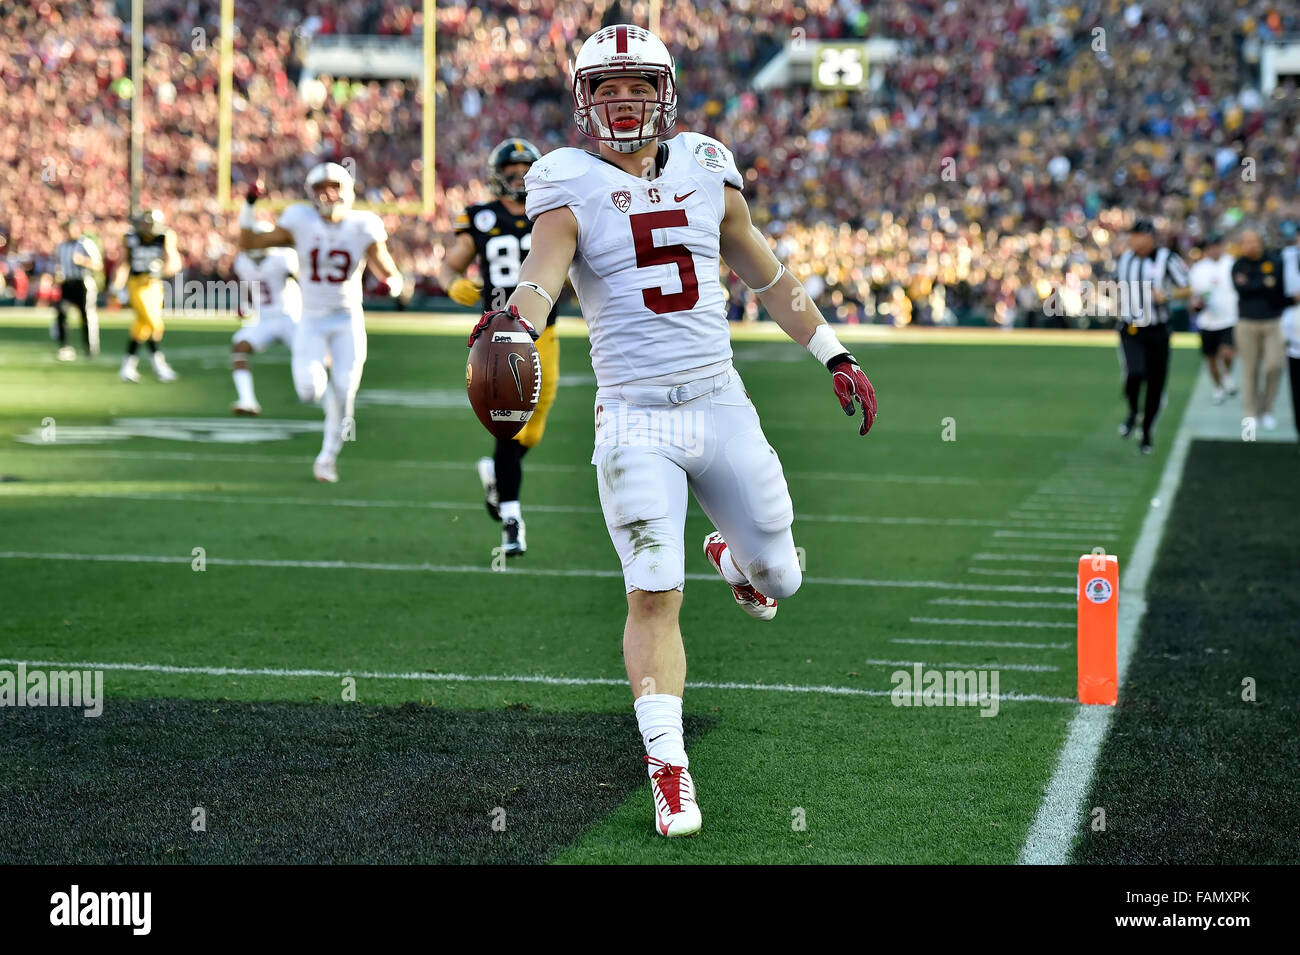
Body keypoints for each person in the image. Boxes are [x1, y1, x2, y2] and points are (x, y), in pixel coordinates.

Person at [468, 24, 877, 838]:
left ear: (665, 92)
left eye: (636, 87)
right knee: (652, 591)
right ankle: (669, 769)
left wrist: (833, 352)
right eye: (608, 89)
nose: (623, 102)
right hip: (632, 417)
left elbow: (765, 270)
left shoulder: (704, 165)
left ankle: (735, 556)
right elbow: (542, 278)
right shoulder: (564, 183)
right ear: (585, 101)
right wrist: (515, 324)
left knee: (784, 578)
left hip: (719, 403)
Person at [238, 164, 403, 482]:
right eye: (321, 188)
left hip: (347, 320)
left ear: (347, 189)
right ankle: (332, 412)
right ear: (311, 194)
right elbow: (250, 243)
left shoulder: (363, 224)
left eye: (335, 186)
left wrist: (393, 286)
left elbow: (389, 270)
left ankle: (327, 457)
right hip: (310, 320)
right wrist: (248, 205)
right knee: (309, 392)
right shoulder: (300, 221)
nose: (328, 193)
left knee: (344, 390)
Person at [440, 138, 559, 557]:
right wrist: (451, 282)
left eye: (525, 169)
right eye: (511, 171)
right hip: (500, 332)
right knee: (510, 419)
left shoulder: (551, 213)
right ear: (497, 175)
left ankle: (496, 473)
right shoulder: (482, 215)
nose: (519, 178)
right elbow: (450, 263)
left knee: (533, 427)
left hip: (545, 330)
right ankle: (511, 518)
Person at [1111, 219, 1189, 454]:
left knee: (1156, 382)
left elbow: (1187, 286)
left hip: (1157, 329)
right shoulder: (1125, 259)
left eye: (1136, 236)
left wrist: (1166, 295)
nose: (1132, 240)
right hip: (1131, 327)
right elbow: (1114, 282)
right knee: (1134, 373)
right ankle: (1134, 410)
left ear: (1149, 237)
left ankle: (1146, 432)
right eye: (1131, 235)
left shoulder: (1167, 258)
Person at [230, 221, 301, 416]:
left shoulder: (284, 258)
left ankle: (333, 401)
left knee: (312, 357)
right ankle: (247, 400)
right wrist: (246, 307)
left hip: (290, 317)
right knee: (239, 347)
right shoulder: (242, 261)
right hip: (264, 320)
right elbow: (249, 291)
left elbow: (302, 281)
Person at [1232, 229, 1290, 433]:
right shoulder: (1239, 265)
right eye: (1246, 242)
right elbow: (1243, 290)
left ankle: (1267, 409)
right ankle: (1250, 414)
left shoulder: (1274, 261)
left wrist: (1258, 285)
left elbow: (1278, 289)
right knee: (1250, 371)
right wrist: (1263, 283)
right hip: (1247, 323)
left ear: (1260, 242)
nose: (1250, 246)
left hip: (1272, 322)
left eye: (1253, 241)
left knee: (1274, 366)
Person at [113, 209, 181, 383]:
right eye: (145, 223)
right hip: (137, 285)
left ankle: (128, 368)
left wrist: (161, 270)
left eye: (150, 224)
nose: (146, 227)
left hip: (154, 285)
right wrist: (116, 285)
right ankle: (159, 365)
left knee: (142, 327)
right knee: (154, 323)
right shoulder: (131, 237)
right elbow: (124, 263)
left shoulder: (165, 236)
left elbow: (174, 263)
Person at [1187, 233, 1237, 404]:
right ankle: (1218, 387)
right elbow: (1194, 295)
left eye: (1216, 246)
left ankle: (1227, 375)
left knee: (1227, 353)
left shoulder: (1231, 264)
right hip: (1208, 321)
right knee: (1211, 358)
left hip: (1229, 318)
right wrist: (1197, 303)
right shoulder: (1198, 269)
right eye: (1210, 247)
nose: (1214, 250)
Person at [53, 218, 102, 361]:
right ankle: (65, 347)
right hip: (67, 283)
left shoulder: (85, 243)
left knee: (86, 315)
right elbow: (59, 265)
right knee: (61, 311)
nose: (68, 232)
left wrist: (83, 261)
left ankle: (90, 348)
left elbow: (98, 264)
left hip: (83, 283)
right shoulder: (62, 246)